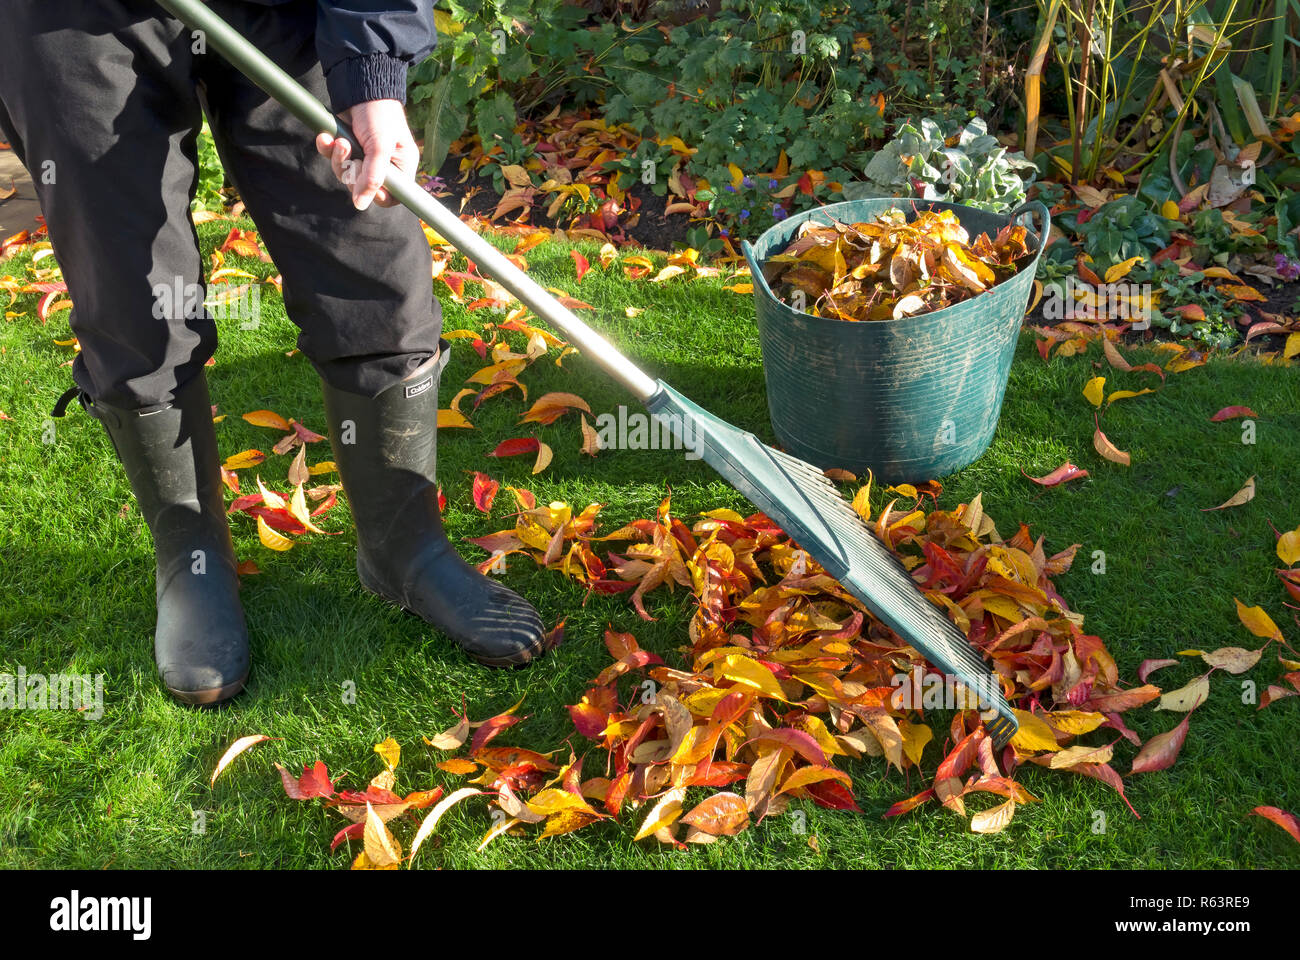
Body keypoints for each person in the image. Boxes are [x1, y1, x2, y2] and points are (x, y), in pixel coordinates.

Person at [0, 0, 547, 706]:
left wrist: (373, 73)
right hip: (66, 19)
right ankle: (194, 565)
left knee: (371, 262)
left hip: (283, 11)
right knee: (132, 298)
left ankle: (405, 550)